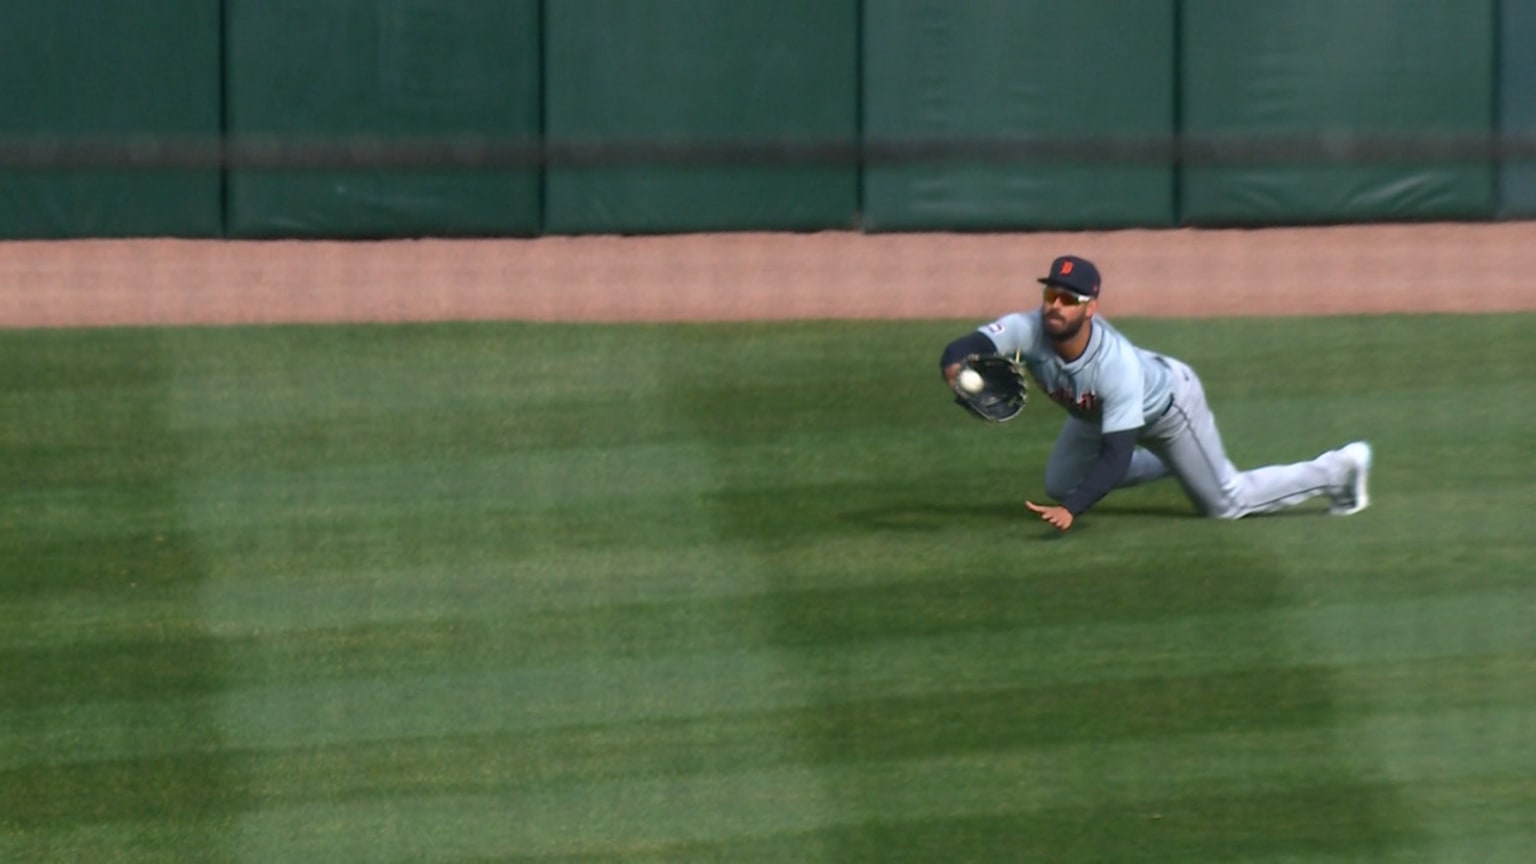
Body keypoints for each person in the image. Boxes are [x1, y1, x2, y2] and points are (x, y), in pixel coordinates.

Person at [939, 254, 1371, 533]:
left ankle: (1338, 471)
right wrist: (956, 373)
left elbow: (1116, 455)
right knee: (1060, 482)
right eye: (1051, 293)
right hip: (1095, 416)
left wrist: (1074, 510)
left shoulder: (1115, 366)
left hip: (1168, 410)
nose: (1055, 305)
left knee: (1225, 503)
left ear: (1091, 308)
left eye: (1068, 299)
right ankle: (1182, 465)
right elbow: (960, 348)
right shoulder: (1029, 327)